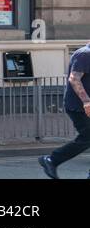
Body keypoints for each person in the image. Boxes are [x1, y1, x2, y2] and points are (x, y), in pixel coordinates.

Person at [39, 39, 90, 179]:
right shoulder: (84, 54)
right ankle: (51, 160)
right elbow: (74, 79)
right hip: (79, 107)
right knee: (87, 138)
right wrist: (86, 101)